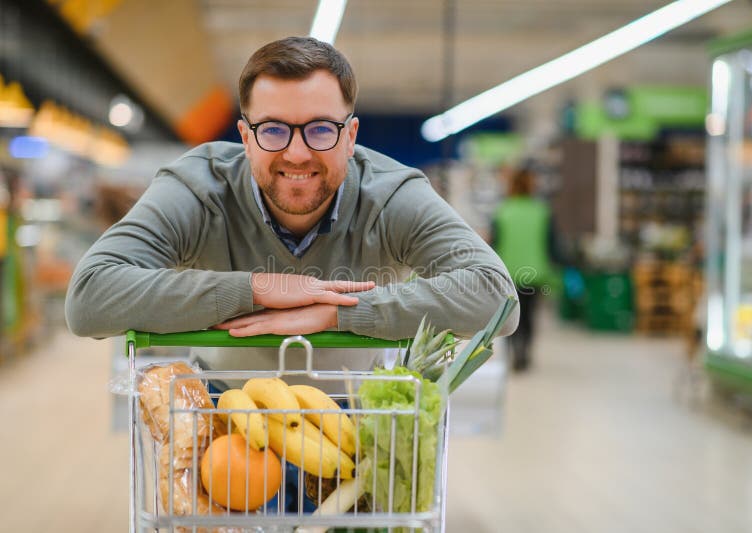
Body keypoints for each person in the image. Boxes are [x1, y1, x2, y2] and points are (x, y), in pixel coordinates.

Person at [65, 35, 518, 370]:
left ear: (351, 136)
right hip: (226, 426)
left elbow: (496, 297)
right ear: (245, 137)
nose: (297, 152)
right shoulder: (197, 187)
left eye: (321, 128)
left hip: (363, 425)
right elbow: (90, 297)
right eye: (273, 129)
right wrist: (258, 289)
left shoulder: (392, 194)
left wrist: (341, 313)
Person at [491, 164, 561, 372]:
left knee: (508, 316)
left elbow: (494, 243)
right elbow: (551, 245)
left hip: (508, 273)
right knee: (529, 315)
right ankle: (525, 353)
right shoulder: (542, 212)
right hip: (535, 273)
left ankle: (514, 350)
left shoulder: (502, 211)